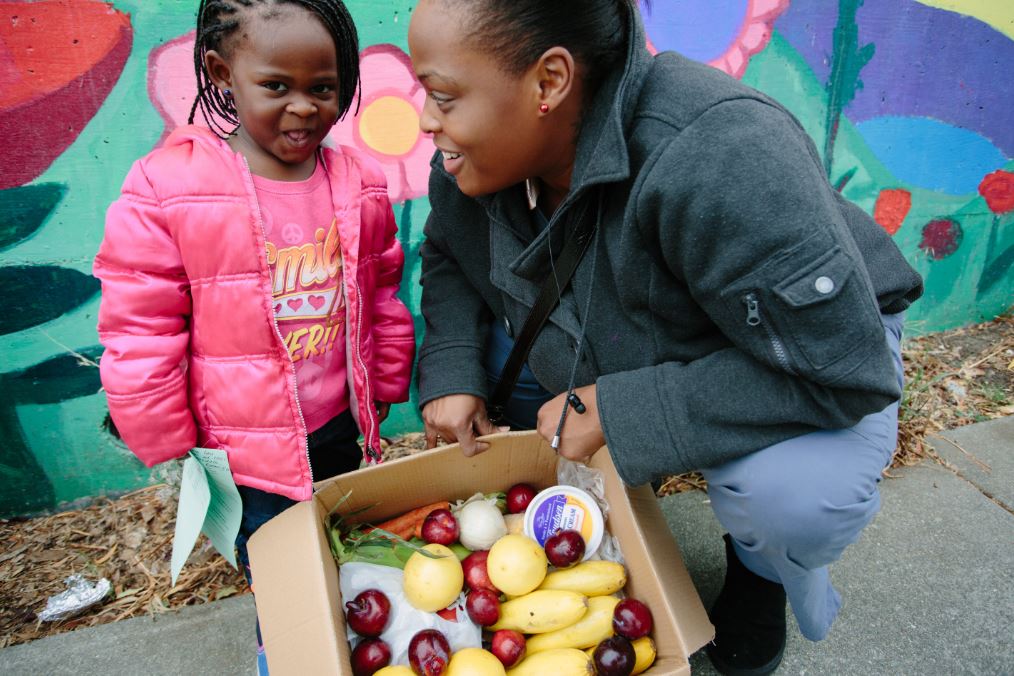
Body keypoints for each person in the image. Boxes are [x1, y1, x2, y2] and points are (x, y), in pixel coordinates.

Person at [408, 1, 922, 674]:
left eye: (444, 96)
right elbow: (449, 248)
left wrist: (622, 410)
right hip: (620, 327)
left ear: (549, 82)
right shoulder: (476, 160)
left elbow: (842, 370)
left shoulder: (721, 153)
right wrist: (451, 368)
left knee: (791, 497)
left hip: (793, 348)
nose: (424, 118)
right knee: (517, 378)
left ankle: (761, 572)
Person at [94, 0, 414, 671]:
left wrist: (382, 387)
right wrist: (167, 436)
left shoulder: (357, 183)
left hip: (335, 427)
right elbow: (141, 324)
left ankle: (340, 640)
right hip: (241, 453)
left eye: (322, 88)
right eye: (277, 87)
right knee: (278, 576)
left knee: (334, 547)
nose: (303, 108)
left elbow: (382, 293)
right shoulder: (168, 188)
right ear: (220, 73)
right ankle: (291, 654)